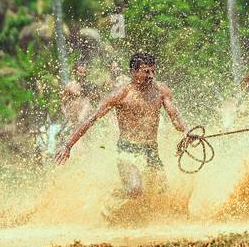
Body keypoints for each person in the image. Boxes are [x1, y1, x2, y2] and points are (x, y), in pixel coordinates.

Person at [55, 51, 187, 198]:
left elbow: (174, 117)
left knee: (161, 193)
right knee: (136, 188)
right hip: (127, 150)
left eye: (153, 71)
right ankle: (109, 202)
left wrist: (187, 131)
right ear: (133, 72)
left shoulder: (161, 90)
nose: (151, 76)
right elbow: (91, 119)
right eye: (146, 71)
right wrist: (68, 145)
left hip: (151, 150)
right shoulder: (121, 94)